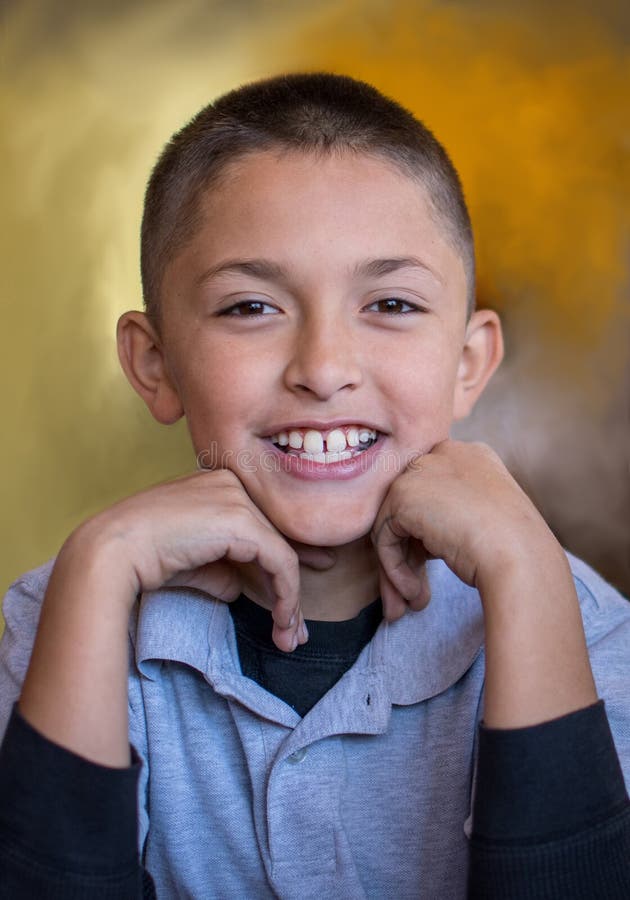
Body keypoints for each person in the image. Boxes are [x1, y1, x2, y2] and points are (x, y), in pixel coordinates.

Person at [0, 72, 628, 900]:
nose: (324, 370)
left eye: (392, 303)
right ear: (156, 366)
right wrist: (99, 560)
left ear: (469, 362)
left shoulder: (584, 631)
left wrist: (527, 572)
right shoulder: (58, 622)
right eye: (251, 308)